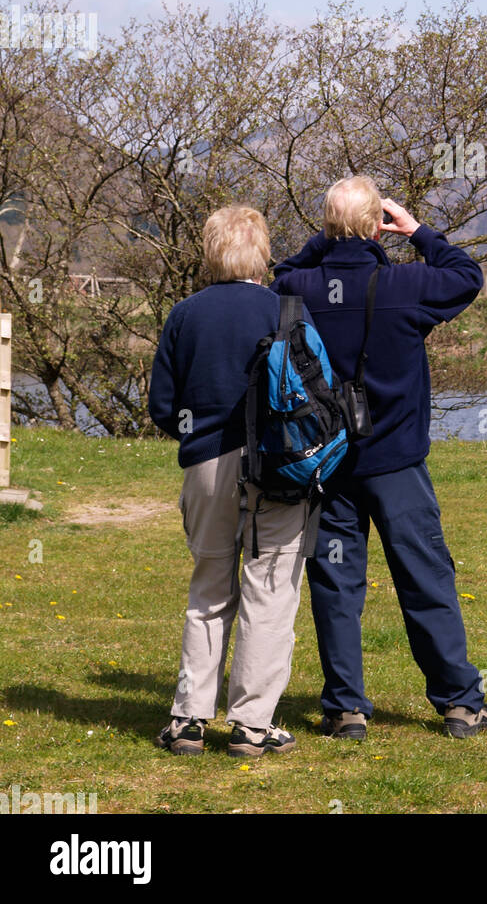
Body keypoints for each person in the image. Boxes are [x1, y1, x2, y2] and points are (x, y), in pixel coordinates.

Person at [271, 175, 487, 740]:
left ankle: (345, 709)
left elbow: (277, 274)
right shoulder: (409, 283)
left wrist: (327, 241)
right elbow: (467, 276)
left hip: (326, 464)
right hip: (396, 462)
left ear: (326, 227)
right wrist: (417, 230)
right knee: (425, 577)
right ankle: (460, 705)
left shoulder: (298, 287)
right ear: (379, 225)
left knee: (336, 585)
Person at [148, 204, 316, 758]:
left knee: (209, 588)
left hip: (206, 463)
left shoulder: (184, 315)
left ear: (211, 251)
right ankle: (251, 726)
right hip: (279, 466)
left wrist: (196, 434)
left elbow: (163, 407)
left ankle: (189, 719)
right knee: (269, 593)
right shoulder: (287, 311)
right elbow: (315, 397)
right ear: (263, 252)